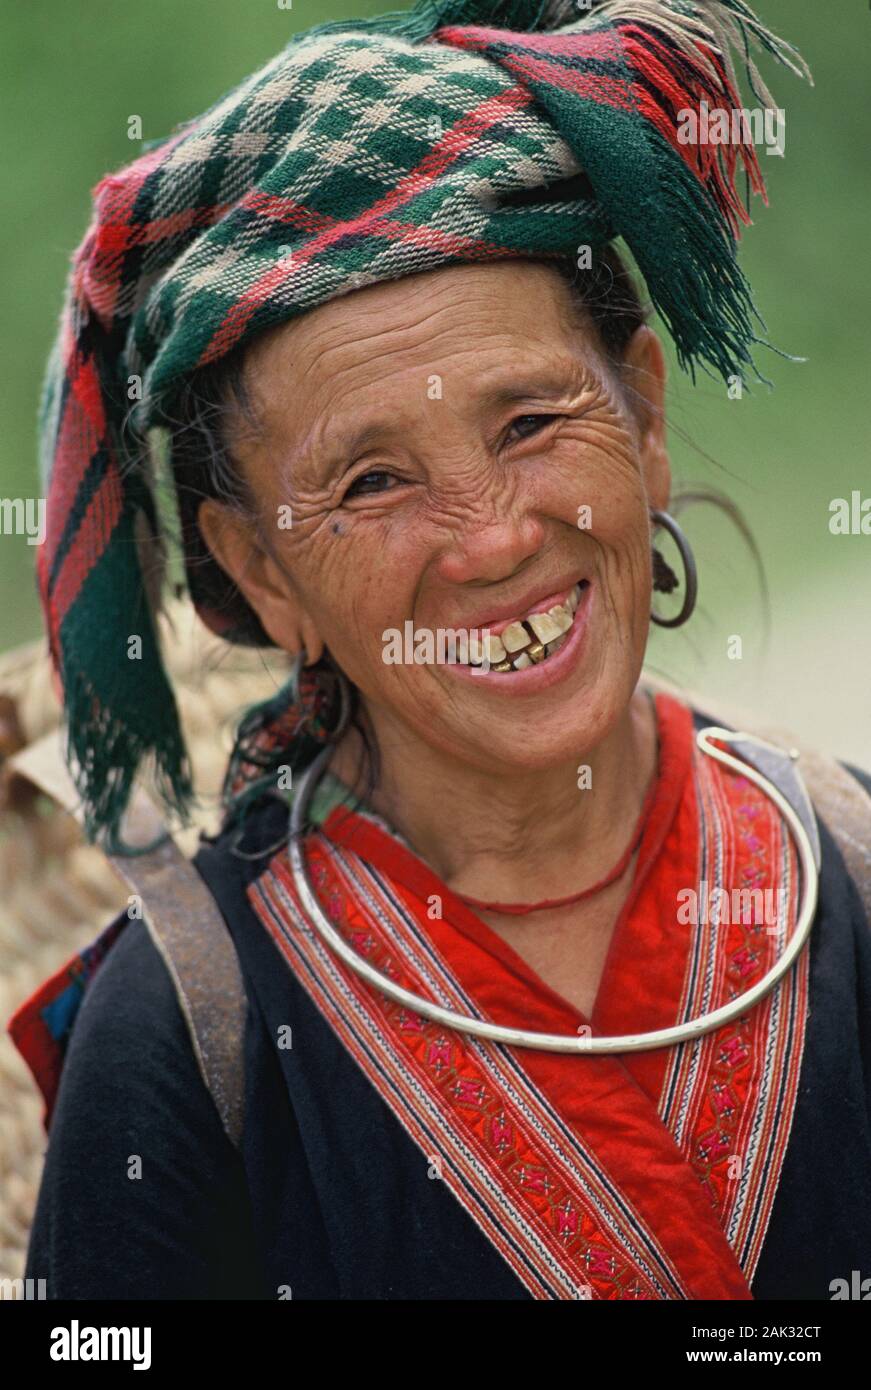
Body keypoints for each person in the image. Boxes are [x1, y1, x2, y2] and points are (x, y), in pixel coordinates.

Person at [9, 0, 871, 1301]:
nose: (487, 542)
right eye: (368, 483)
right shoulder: (192, 1029)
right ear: (257, 571)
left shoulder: (848, 875)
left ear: (641, 410)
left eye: (530, 420)